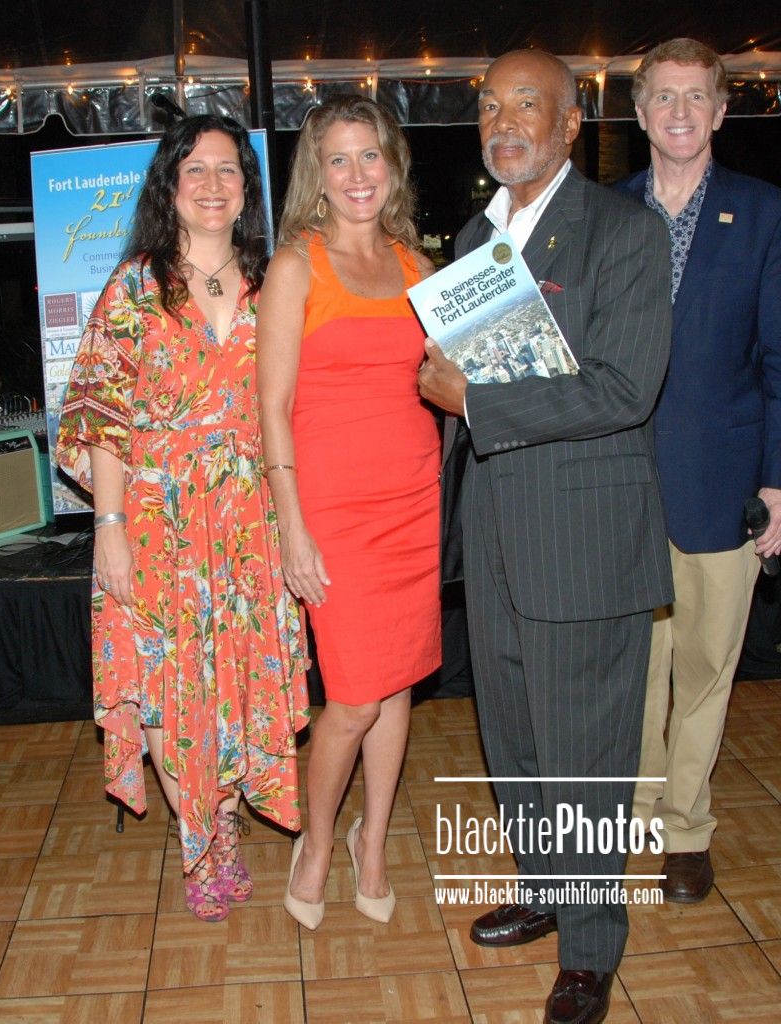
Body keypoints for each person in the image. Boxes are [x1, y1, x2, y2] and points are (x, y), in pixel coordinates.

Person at [418, 51, 673, 1023]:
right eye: (489, 105)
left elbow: (623, 388)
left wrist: (473, 400)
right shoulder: (474, 236)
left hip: (582, 537)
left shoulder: (623, 231)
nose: (503, 121)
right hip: (493, 527)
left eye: (527, 103)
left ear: (571, 123)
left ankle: (591, 947)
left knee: (585, 757)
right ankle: (545, 888)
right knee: (516, 738)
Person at [55, 115, 309, 923]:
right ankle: (202, 842)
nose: (211, 184)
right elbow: (100, 412)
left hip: (251, 520)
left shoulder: (275, 282)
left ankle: (224, 823)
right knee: (169, 686)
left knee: (237, 680)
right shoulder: (136, 285)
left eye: (227, 169)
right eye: (194, 169)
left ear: (247, 189)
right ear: (170, 186)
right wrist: (108, 526)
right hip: (157, 521)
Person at [257, 96, 440, 930]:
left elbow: (452, 374)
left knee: (395, 684)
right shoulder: (296, 266)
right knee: (356, 697)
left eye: (372, 155)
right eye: (340, 158)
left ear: (392, 167)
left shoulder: (419, 268)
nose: (358, 173)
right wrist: (291, 527)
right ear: (318, 175)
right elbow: (272, 407)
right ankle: (320, 840)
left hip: (413, 500)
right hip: (333, 510)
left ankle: (373, 843)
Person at [619, 39, 781, 903]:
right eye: (664, 96)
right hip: (623, 488)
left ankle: (685, 830)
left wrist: (778, 484)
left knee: (708, 669)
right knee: (635, 674)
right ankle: (636, 814)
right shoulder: (605, 212)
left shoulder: (764, 212)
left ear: (720, 111)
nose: (679, 112)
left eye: (696, 97)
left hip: (725, 485)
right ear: (639, 112)